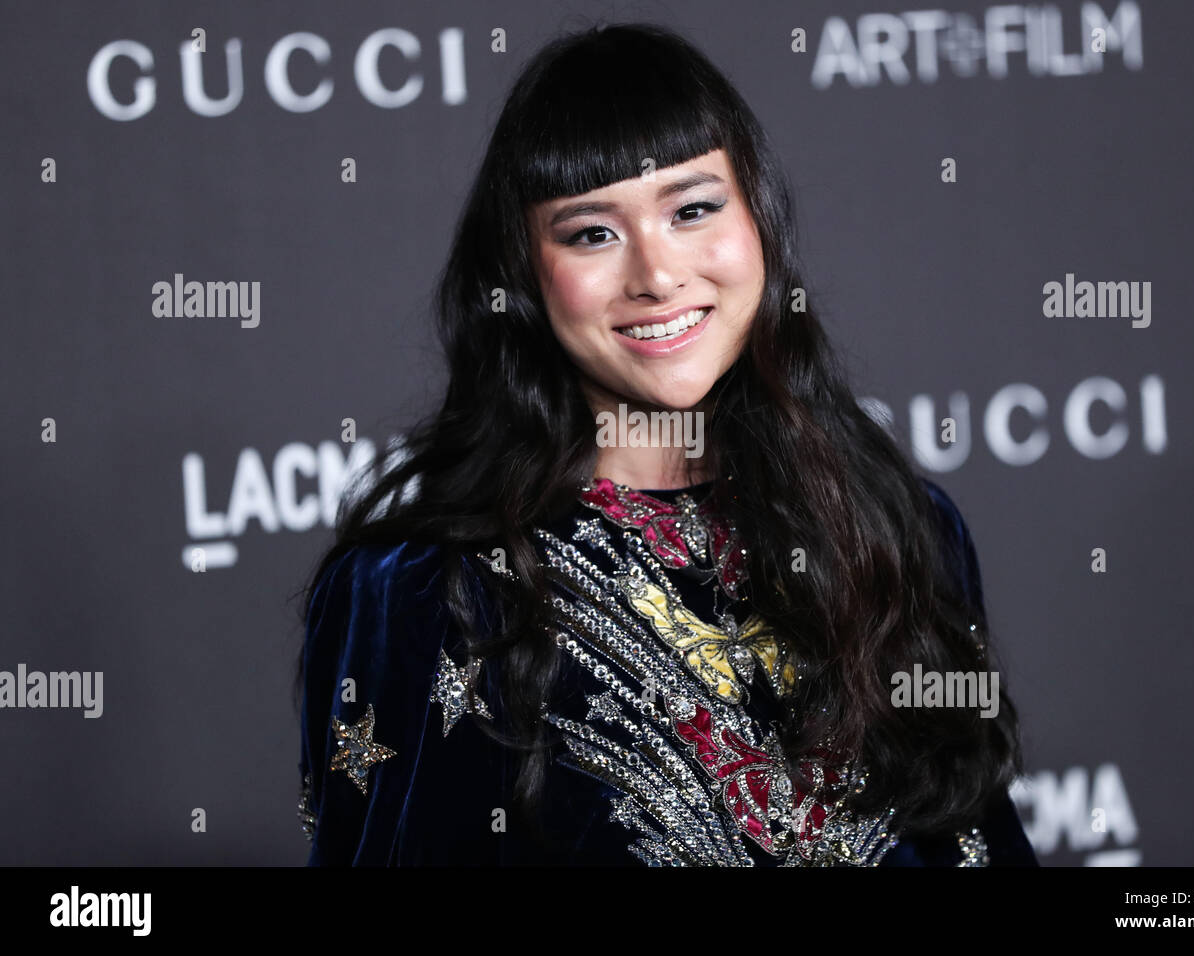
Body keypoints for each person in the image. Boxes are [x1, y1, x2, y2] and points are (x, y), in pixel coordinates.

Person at [293, 21, 1038, 867]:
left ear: (759, 218)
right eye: (592, 233)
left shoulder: (897, 524)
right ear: (525, 275)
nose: (656, 274)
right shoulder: (429, 592)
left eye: (693, 209)